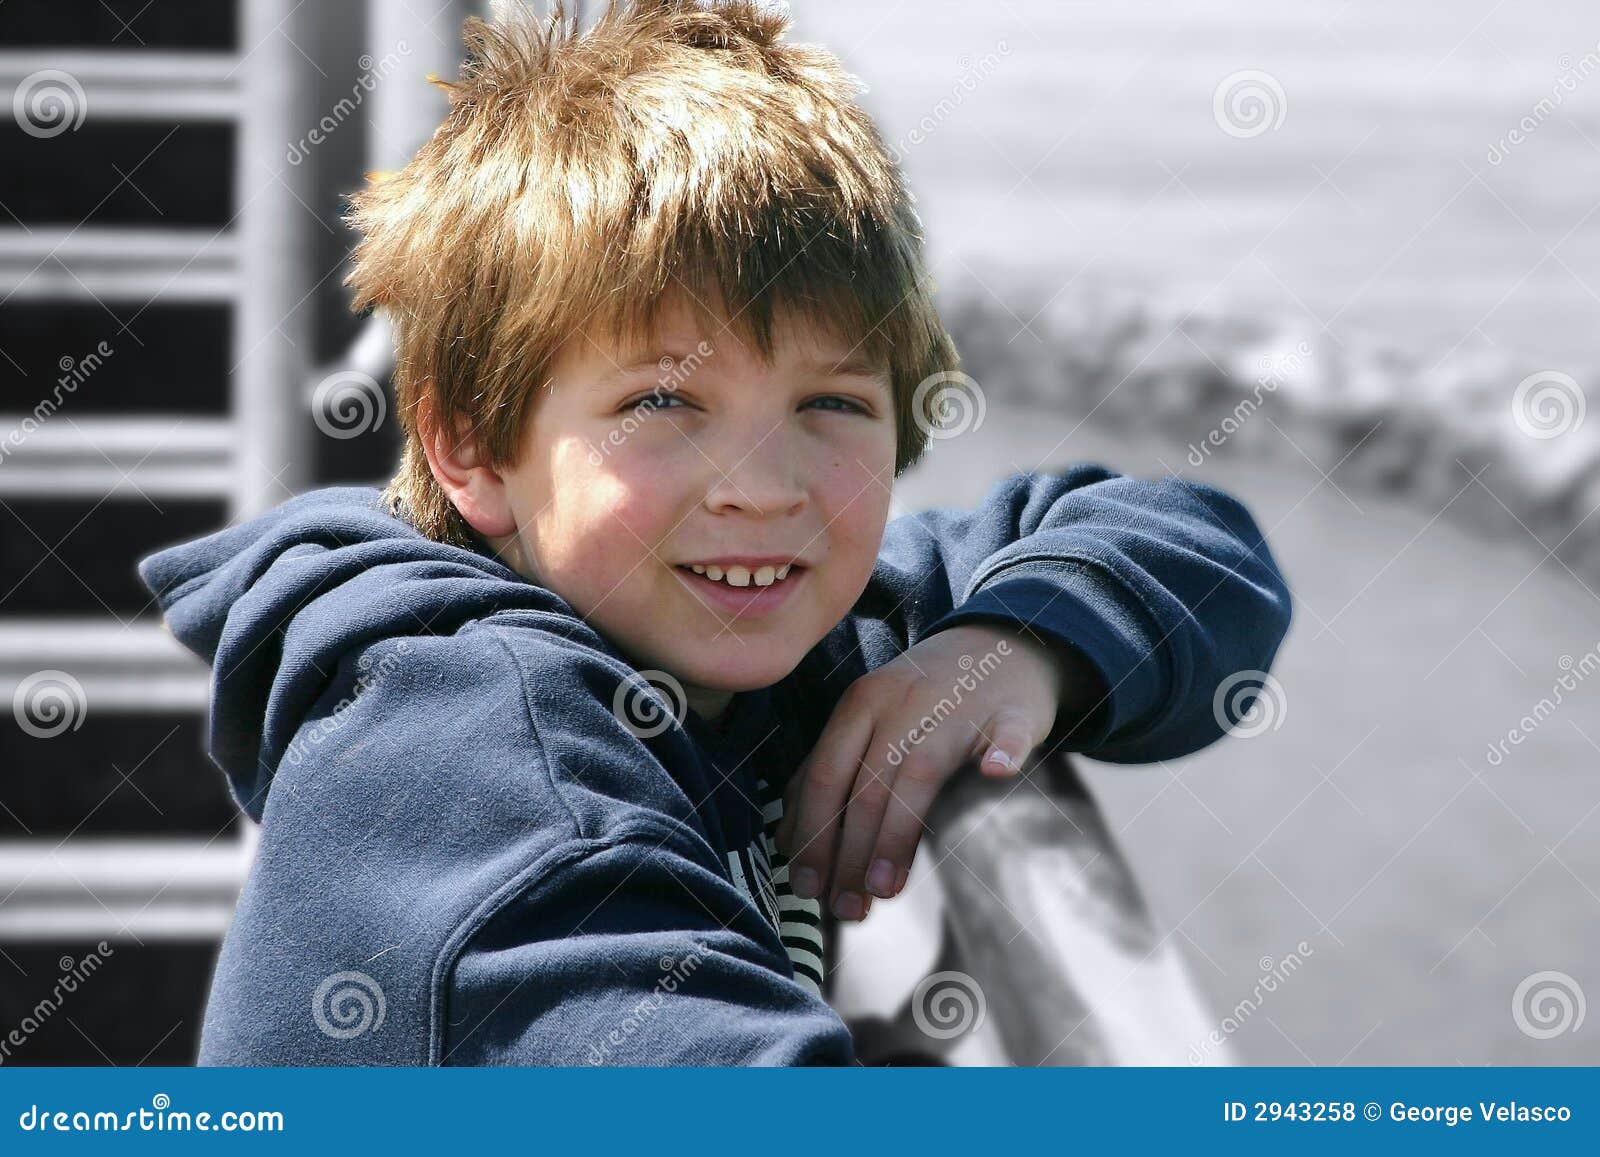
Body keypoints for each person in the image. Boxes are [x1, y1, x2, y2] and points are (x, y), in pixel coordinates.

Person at [137, 0, 1292, 1065]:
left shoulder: (797, 613)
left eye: (829, 402)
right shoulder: (468, 756)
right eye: (663, 402)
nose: (764, 488)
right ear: (473, 449)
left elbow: (1197, 544)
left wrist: (1015, 644)